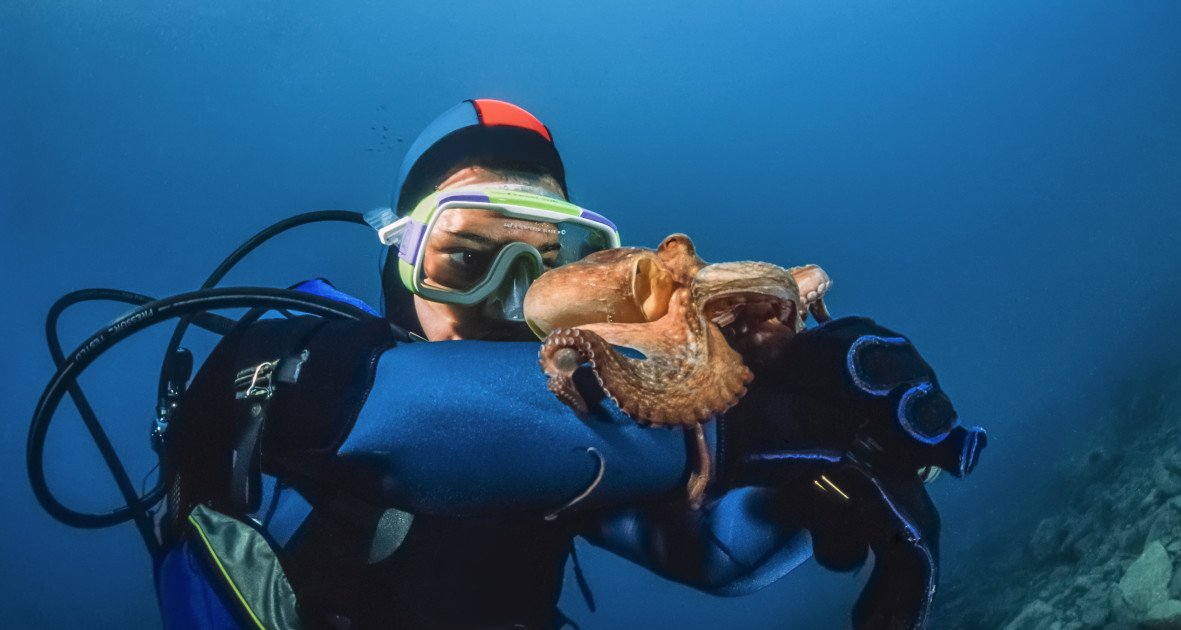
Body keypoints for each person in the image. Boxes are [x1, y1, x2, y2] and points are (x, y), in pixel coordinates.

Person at [155, 99, 984, 630]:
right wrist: (746, 426)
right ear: (398, 244)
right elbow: (403, 418)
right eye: (464, 254)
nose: (500, 298)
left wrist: (826, 473)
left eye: (541, 265)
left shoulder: (562, 425)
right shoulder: (289, 354)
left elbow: (724, 559)